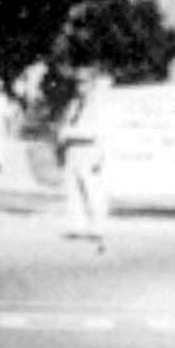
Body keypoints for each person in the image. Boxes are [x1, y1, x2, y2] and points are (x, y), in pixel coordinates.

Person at [56, 71, 109, 248]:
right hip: (73, 149)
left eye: (85, 83)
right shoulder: (74, 104)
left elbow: (99, 131)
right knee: (73, 189)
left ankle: (97, 227)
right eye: (78, 83)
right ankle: (76, 225)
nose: (81, 87)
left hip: (89, 148)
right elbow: (66, 124)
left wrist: (70, 133)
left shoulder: (99, 105)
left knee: (92, 189)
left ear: (93, 84)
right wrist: (63, 138)